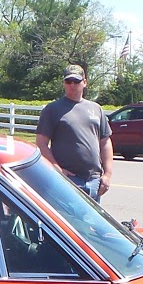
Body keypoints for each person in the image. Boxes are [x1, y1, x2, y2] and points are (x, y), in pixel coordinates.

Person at [35, 64, 114, 199]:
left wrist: (107, 174)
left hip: (94, 180)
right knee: (65, 220)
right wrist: (57, 169)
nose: (72, 85)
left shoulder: (96, 109)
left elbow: (105, 142)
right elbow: (41, 144)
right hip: (67, 179)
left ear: (84, 82)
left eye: (76, 81)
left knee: (90, 220)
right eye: (68, 81)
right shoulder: (52, 109)